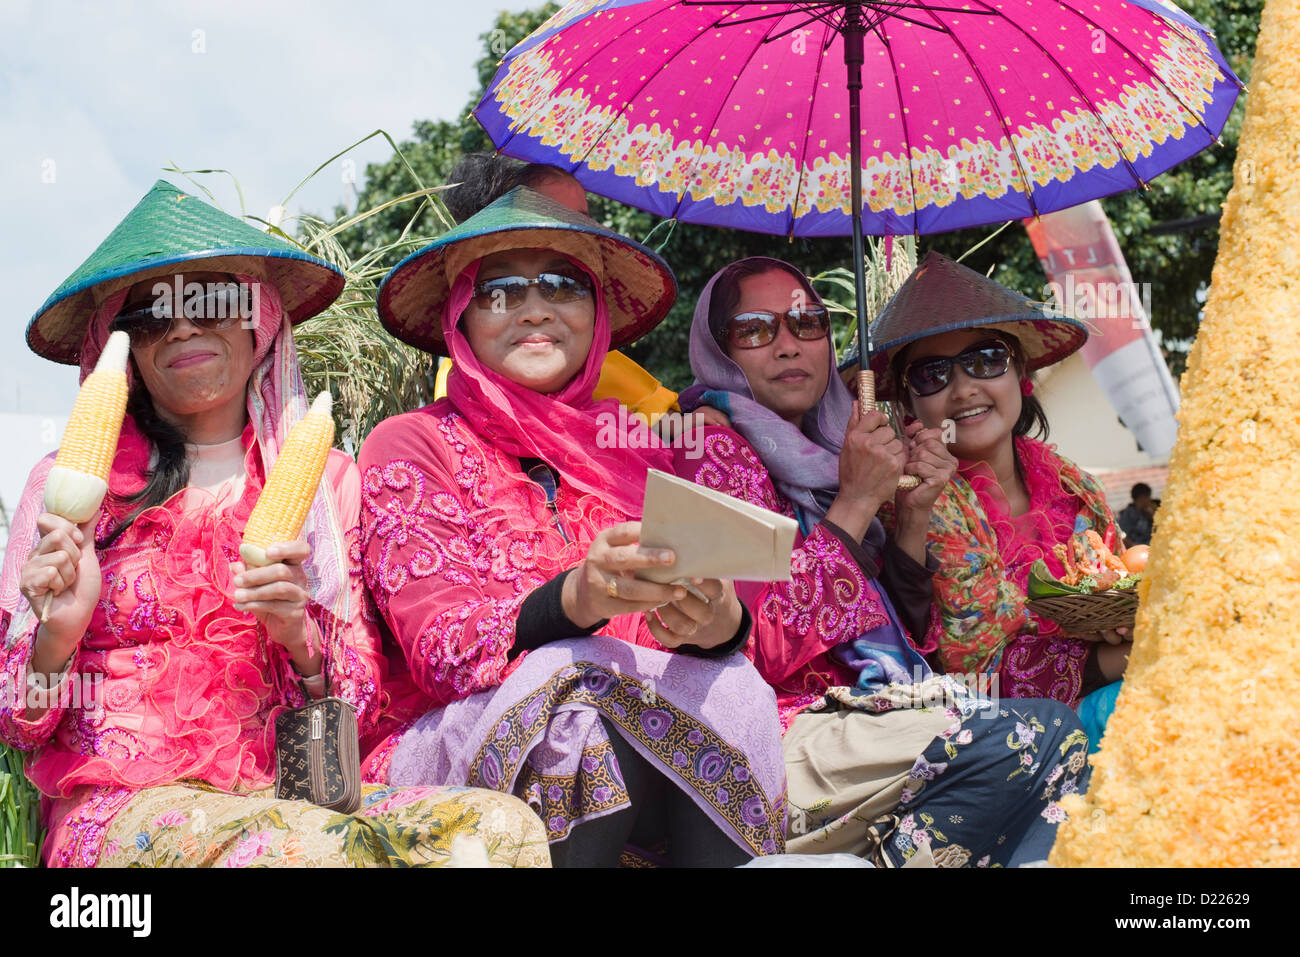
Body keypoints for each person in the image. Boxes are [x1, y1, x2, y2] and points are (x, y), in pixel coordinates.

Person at [0, 180, 549, 867]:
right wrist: (58, 633)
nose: (182, 326)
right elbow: (19, 723)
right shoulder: (62, 487)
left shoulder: (328, 485)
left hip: (288, 792)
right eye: (148, 314)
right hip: (118, 806)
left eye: (212, 299)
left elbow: (357, 716)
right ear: (122, 346)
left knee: (500, 830)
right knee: (306, 852)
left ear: (257, 318)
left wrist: (299, 637)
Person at [359, 186, 787, 867]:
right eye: (500, 290)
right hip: (469, 746)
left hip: (653, 744)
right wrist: (574, 600)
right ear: (460, 317)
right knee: (580, 685)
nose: (535, 308)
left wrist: (716, 623)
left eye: (562, 285)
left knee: (731, 684)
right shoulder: (412, 443)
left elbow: (733, 638)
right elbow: (440, 651)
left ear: (596, 315)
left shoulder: (653, 452)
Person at [672, 256, 1092, 866]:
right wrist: (857, 498)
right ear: (719, 351)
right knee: (1042, 735)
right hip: (783, 732)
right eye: (757, 330)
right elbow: (751, 645)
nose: (789, 346)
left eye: (807, 323)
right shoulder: (710, 449)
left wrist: (912, 512)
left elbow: (904, 634)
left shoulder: (829, 452)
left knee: (1061, 771)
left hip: (885, 716)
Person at [869, 251, 1131, 706]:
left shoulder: (1078, 489)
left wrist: (1120, 626)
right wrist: (1130, 656)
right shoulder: (914, 504)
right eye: (932, 374)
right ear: (909, 405)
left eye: (986, 359)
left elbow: (1119, 589)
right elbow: (974, 676)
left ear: (1022, 372)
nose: (965, 387)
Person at [1117, 483, 1156, 548]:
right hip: (1136, 550)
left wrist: (1153, 516)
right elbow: (1122, 534)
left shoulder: (1148, 512)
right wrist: (1134, 546)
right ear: (1141, 498)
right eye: (1147, 497)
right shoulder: (1129, 514)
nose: (1149, 500)